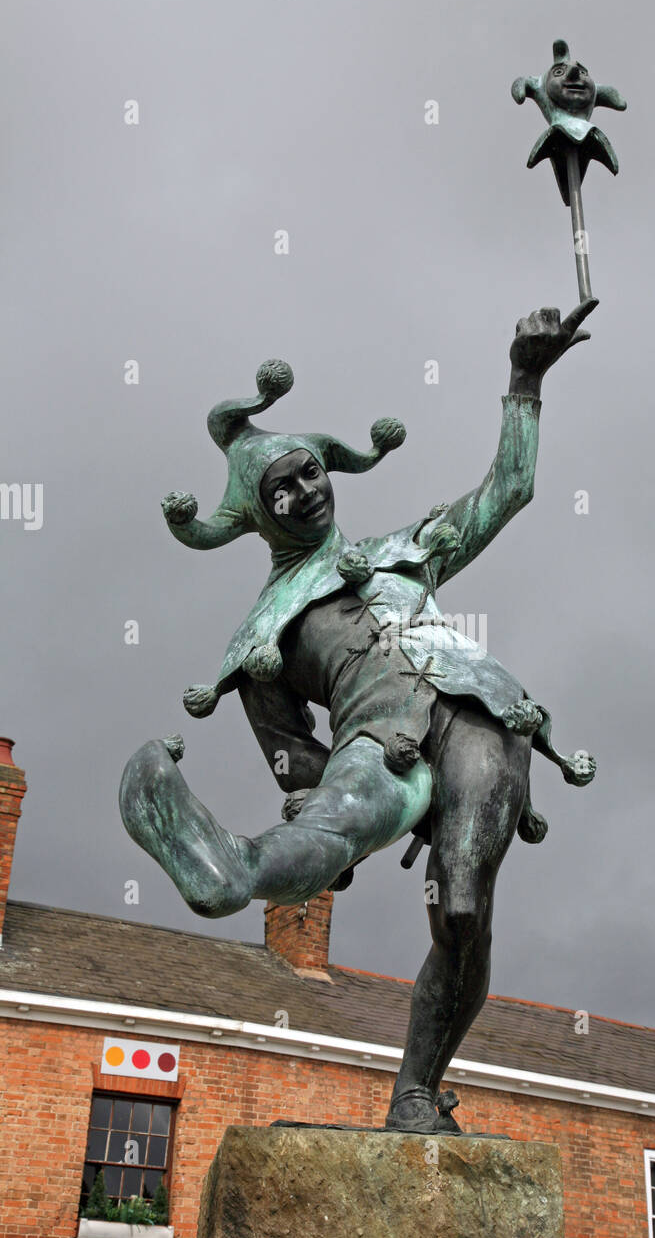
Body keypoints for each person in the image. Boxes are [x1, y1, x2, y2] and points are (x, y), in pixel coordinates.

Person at [120, 301, 597, 1133]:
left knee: (461, 910)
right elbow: (289, 755)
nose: (304, 493)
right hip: (377, 745)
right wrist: (316, 797)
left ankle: (415, 1092)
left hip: (478, 718)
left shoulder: (405, 550)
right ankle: (233, 868)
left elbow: (510, 490)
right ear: (258, 513)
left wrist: (524, 379)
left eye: (311, 473)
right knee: (336, 824)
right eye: (282, 488)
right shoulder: (263, 634)